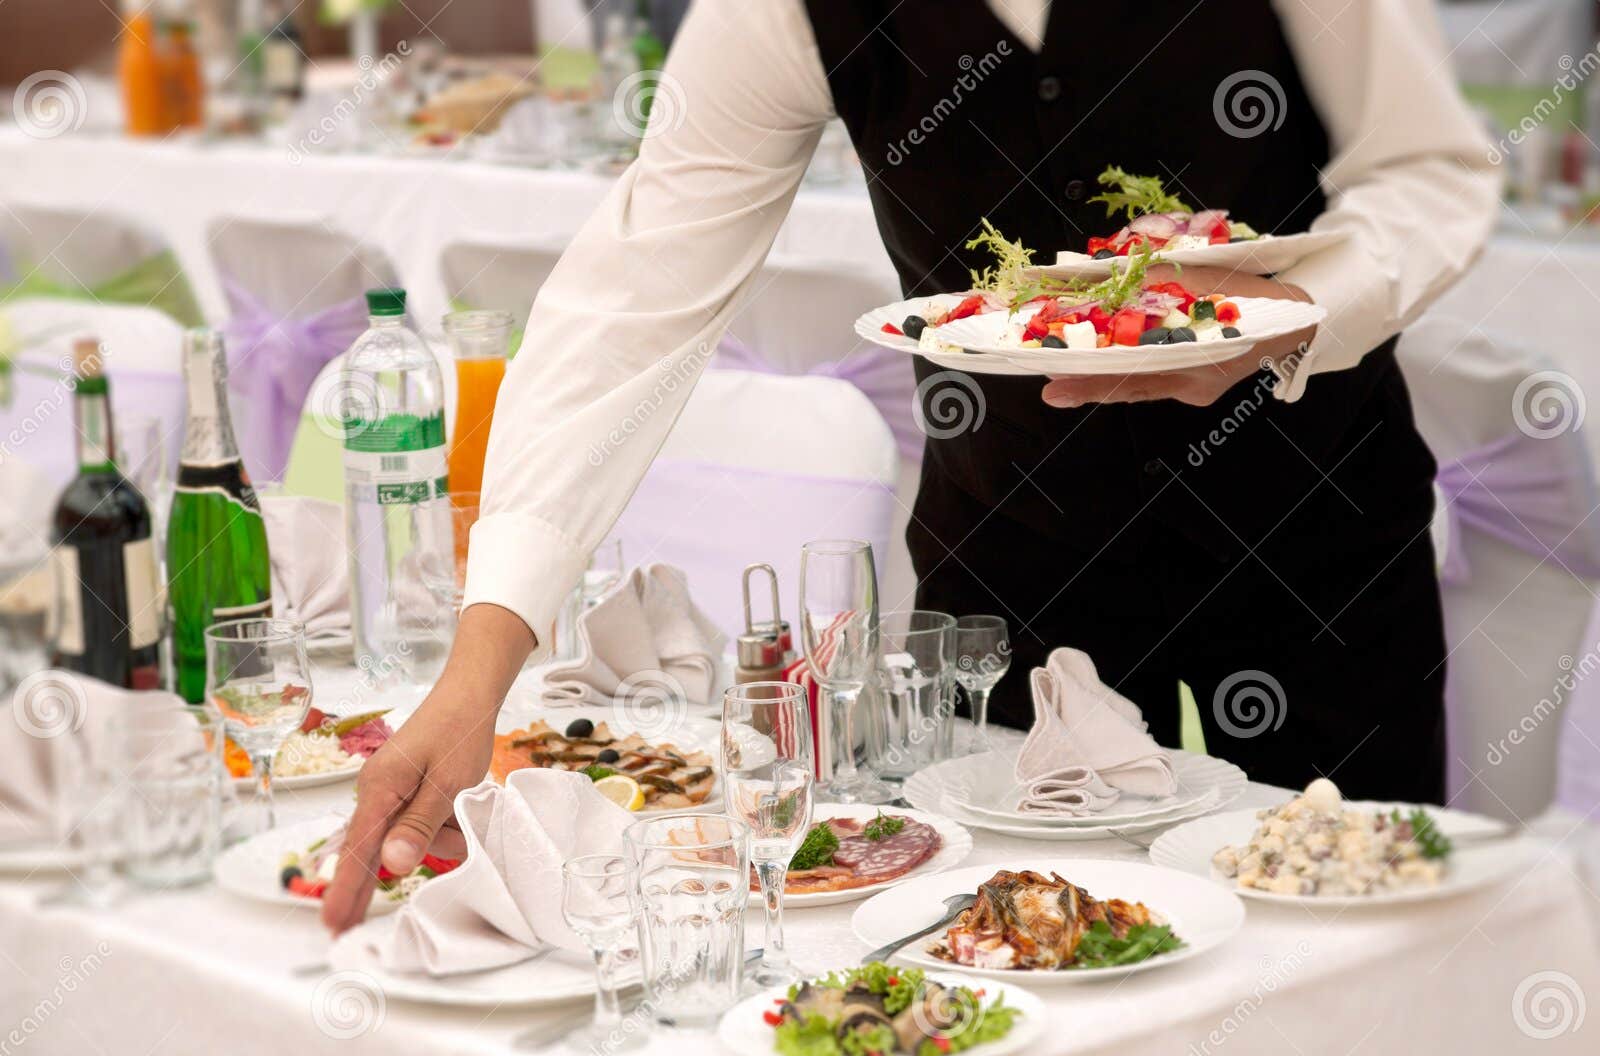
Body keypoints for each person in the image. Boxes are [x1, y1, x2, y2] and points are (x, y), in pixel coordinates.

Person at [322, 0, 1499, 932]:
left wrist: (1300, 308)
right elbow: (632, 294)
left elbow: (1430, 168)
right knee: (1025, 958)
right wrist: (480, 671)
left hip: (1315, 542)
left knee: (1365, 952)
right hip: (1013, 564)